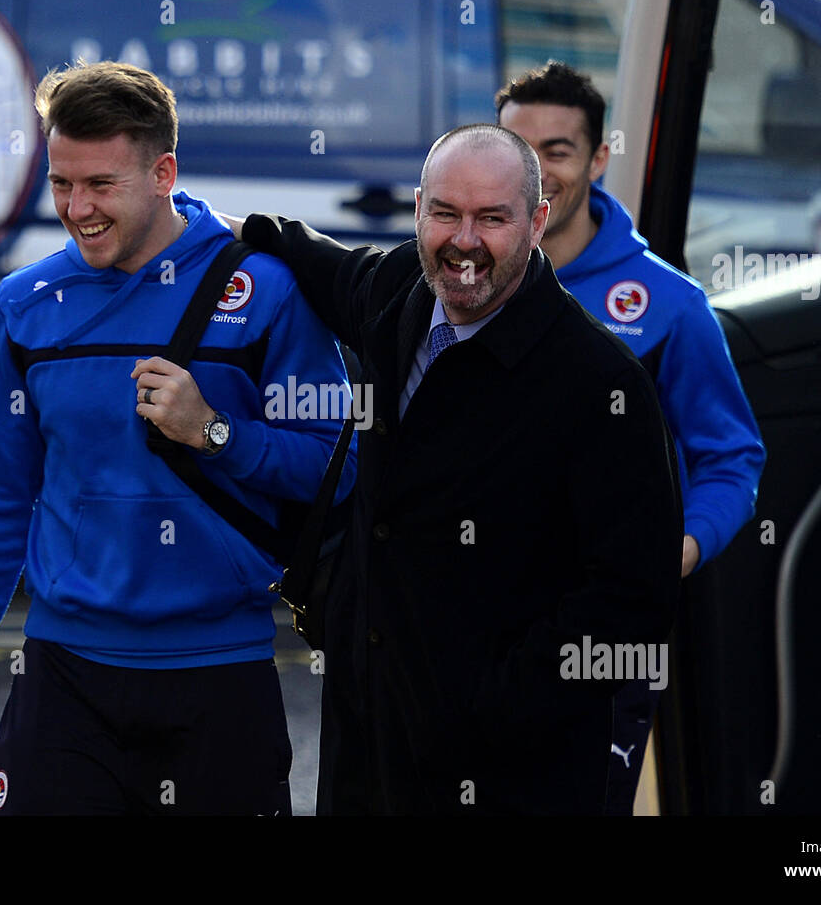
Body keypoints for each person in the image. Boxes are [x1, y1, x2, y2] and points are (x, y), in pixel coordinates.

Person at [0, 61, 352, 815]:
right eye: (62, 184)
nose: (77, 209)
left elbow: (336, 471)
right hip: (64, 672)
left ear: (163, 172)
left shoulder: (263, 291)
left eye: (101, 185)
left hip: (221, 671)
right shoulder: (26, 306)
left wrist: (215, 432)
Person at [222, 124, 683, 814]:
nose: (464, 241)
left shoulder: (599, 385)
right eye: (445, 213)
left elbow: (630, 598)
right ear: (417, 211)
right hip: (366, 752)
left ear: (537, 222)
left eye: (492, 218)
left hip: (512, 780)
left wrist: (489, 707)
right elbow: (316, 258)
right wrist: (188, 222)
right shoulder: (398, 288)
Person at [497, 60, 766, 814]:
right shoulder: (454, 284)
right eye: (521, 150)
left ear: (599, 158)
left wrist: (683, 546)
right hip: (475, 622)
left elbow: (731, 457)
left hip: (606, 632)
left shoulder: (670, 306)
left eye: (559, 150)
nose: (539, 172)